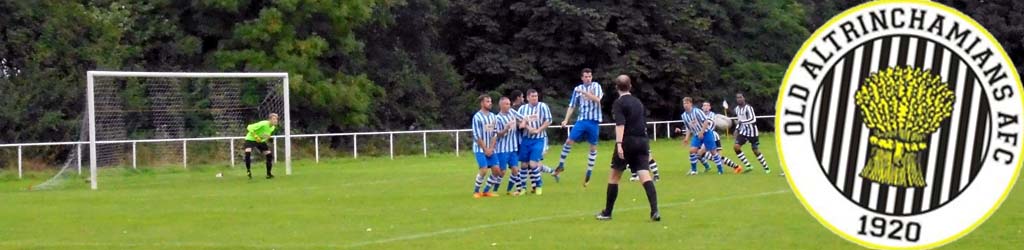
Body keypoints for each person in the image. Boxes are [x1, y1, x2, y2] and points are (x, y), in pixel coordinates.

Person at [597, 75, 659, 221]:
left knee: (614, 177)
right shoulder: (638, 102)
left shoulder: (619, 103)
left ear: (616, 87)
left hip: (627, 141)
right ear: (630, 86)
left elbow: (620, 124)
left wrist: (619, 144)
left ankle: (607, 212)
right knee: (645, 175)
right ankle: (655, 211)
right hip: (642, 141)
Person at [556, 68, 604, 187]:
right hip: (582, 120)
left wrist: (586, 94)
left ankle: (588, 173)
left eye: (590, 76)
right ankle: (561, 165)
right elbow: (572, 105)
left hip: (593, 121)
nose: (588, 78)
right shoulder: (577, 89)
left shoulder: (596, 86)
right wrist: (566, 119)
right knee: (569, 141)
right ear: (582, 78)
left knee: (593, 147)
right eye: (586, 77)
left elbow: (598, 99)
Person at [517, 89, 553, 195]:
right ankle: (523, 188)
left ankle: (539, 186)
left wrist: (538, 130)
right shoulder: (523, 108)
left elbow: (548, 120)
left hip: (538, 139)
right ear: (528, 98)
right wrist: (526, 126)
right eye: (532, 96)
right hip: (526, 139)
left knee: (533, 164)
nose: (535, 98)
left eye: (536, 96)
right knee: (523, 164)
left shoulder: (543, 106)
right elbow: (519, 120)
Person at [680, 97, 725, 175]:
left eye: (687, 103)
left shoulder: (697, 111)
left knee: (713, 151)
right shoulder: (684, 115)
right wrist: (686, 138)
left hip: (707, 133)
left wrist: (702, 132)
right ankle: (694, 170)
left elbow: (706, 122)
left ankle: (720, 169)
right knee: (692, 151)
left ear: (691, 104)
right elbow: (688, 127)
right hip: (697, 135)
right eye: (684, 103)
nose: (685, 105)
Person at [495, 97, 527, 196]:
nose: (509, 106)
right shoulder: (497, 118)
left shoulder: (512, 112)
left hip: (513, 147)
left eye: (509, 103)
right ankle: (494, 190)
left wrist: (522, 124)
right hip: (502, 148)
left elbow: (523, 118)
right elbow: (498, 134)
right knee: (502, 171)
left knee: (515, 169)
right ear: (501, 105)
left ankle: (517, 189)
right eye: (506, 104)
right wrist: (506, 129)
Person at [471, 94, 501, 198]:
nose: (490, 103)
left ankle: (486, 191)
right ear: (482, 103)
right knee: (483, 169)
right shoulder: (477, 117)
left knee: (497, 170)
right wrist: (485, 149)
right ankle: (476, 191)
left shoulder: (493, 116)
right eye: (487, 101)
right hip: (480, 148)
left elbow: (495, 133)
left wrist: (491, 148)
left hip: (491, 149)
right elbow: (477, 135)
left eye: (490, 101)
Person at [734, 93, 771, 174]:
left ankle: (766, 167)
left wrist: (742, 122)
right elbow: (739, 121)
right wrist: (737, 129)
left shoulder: (748, 108)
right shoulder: (736, 109)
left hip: (752, 132)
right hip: (743, 132)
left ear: (744, 98)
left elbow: (753, 119)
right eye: (737, 98)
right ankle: (748, 166)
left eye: (740, 97)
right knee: (736, 147)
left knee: (755, 150)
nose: (739, 99)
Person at [244, 113, 279, 179]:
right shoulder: (263, 123)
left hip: (260, 141)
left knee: (269, 155)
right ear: (270, 120)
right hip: (251, 138)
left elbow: (264, 135)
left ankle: (269, 174)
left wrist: (265, 137)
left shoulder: (273, 128)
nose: (275, 120)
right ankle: (248, 171)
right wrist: (256, 136)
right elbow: (249, 127)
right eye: (274, 119)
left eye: (276, 119)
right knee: (248, 152)